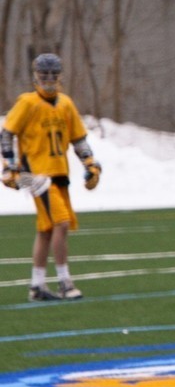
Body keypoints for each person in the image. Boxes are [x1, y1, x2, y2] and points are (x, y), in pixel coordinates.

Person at [1, 53, 102, 302]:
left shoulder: (65, 104)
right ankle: (65, 281)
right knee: (62, 223)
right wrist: (9, 165)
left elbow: (78, 139)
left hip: (59, 174)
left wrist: (89, 163)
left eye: (53, 75)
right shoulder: (27, 103)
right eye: (43, 74)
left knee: (46, 230)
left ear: (60, 76)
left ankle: (36, 286)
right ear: (35, 76)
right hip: (34, 176)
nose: (48, 79)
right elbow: (6, 133)